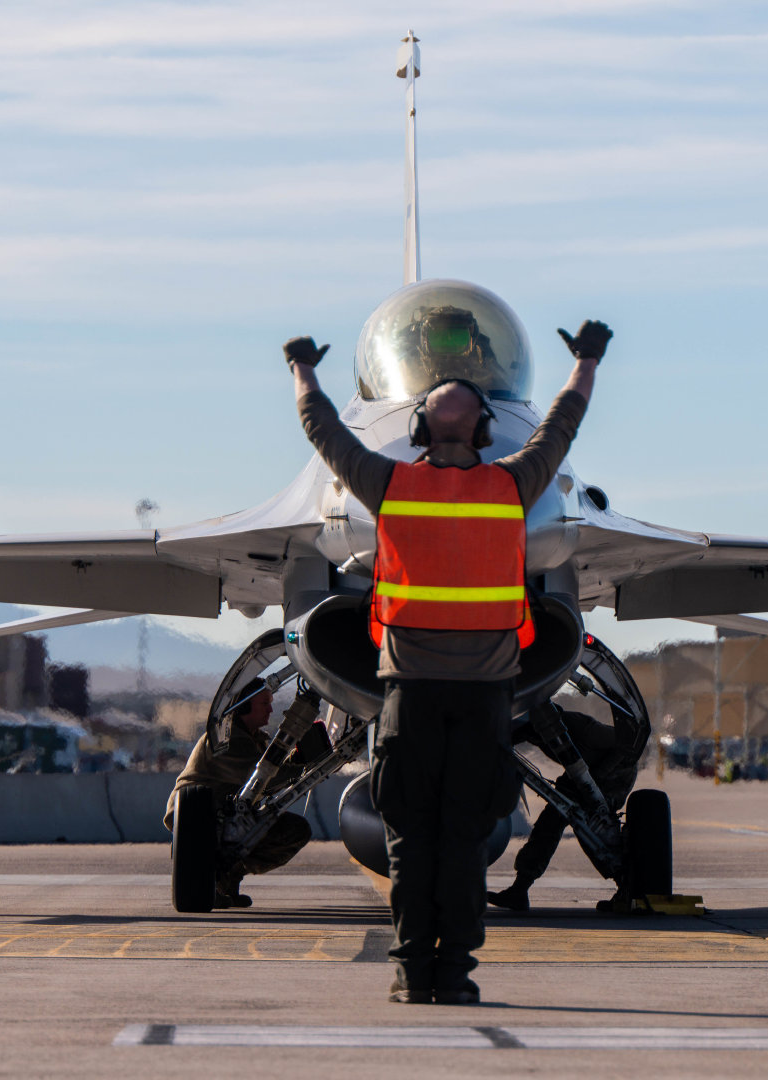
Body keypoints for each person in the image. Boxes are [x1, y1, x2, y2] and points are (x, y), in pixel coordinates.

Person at [284, 315, 610, 1005]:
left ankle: (410, 973)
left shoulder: (389, 487)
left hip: (410, 698)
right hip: (486, 700)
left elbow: (324, 432)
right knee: (463, 843)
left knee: (410, 844)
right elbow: (562, 425)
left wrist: (304, 372)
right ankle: (456, 975)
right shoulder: (512, 488)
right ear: (486, 432)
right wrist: (586, 361)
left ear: (421, 434)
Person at [163, 678, 330, 908]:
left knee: (293, 830)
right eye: (264, 703)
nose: (271, 709)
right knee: (290, 830)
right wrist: (305, 765)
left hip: (224, 813)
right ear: (243, 707)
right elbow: (261, 779)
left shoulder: (251, 738)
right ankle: (220, 879)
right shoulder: (228, 740)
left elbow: (266, 775)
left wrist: (297, 760)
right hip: (200, 817)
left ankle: (227, 879)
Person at [486, 703, 641, 913]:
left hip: (614, 776)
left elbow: (627, 748)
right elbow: (514, 735)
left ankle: (627, 889)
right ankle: (519, 890)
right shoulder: (538, 727)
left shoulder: (584, 729)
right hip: (581, 776)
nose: (530, 737)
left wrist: (594, 782)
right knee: (549, 825)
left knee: (593, 828)